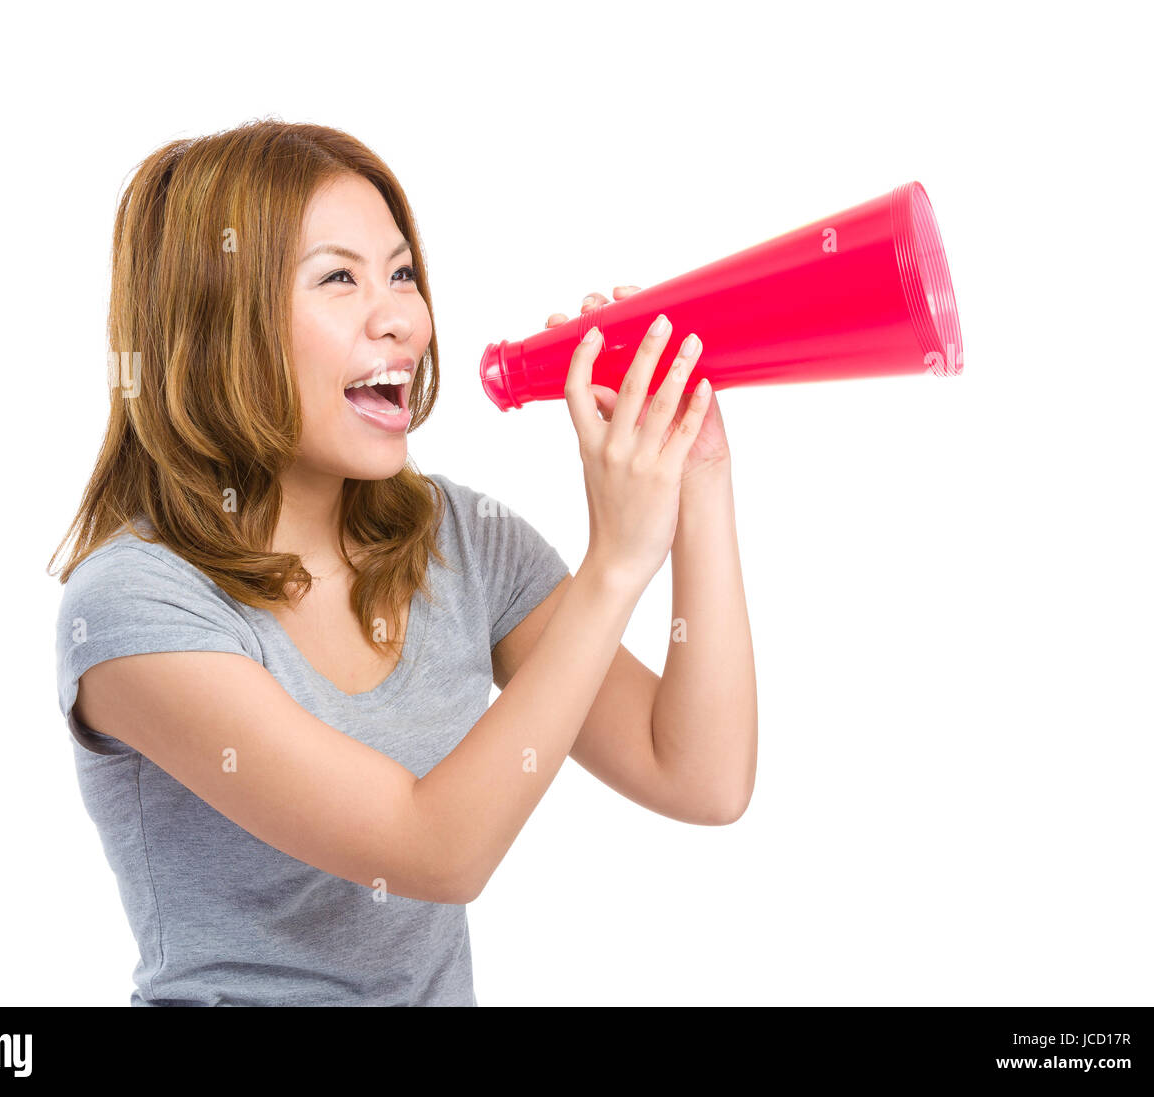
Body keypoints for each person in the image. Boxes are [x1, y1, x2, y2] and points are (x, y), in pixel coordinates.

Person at [50, 119, 756, 1007]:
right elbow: (436, 851)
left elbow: (699, 773)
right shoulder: (135, 605)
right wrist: (614, 565)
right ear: (214, 319)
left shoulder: (459, 536)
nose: (402, 319)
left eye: (403, 273)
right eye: (339, 277)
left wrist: (700, 475)